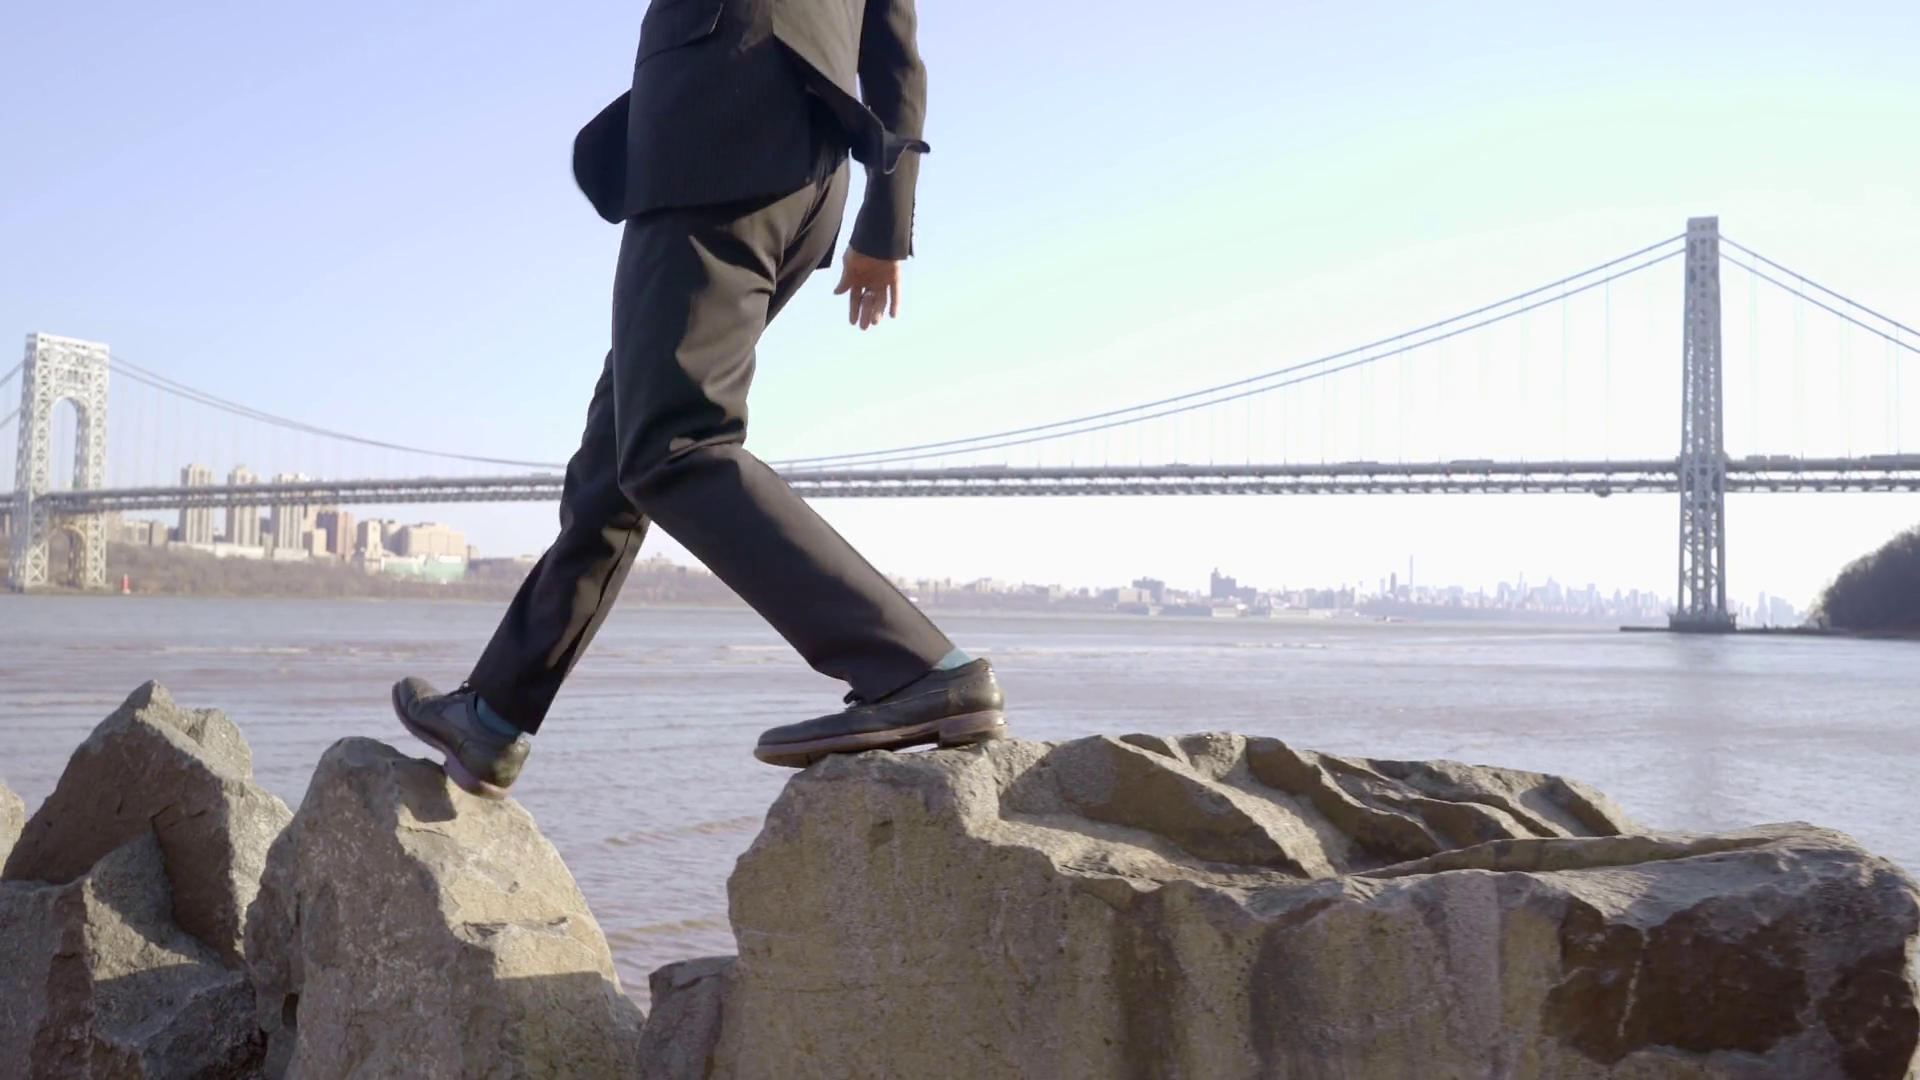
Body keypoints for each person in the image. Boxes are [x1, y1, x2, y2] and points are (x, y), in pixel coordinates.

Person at [391, 0, 1006, 799]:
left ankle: (917, 668)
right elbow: (896, 56)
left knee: (676, 444)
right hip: (803, 171)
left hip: (718, 132)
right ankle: (495, 715)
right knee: (619, 459)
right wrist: (885, 220)